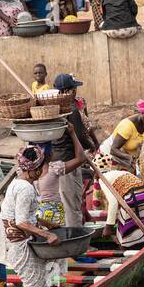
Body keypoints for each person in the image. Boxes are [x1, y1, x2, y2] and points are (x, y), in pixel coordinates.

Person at [0, 146, 66, 287]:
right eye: (43, 166)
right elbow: (21, 222)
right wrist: (48, 234)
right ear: (36, 169)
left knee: (58, 260)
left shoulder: (18, 182)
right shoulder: (25, 188)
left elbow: (27, 214)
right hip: (18, 243)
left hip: (18, 239)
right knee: (32, 285)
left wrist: (49, 224)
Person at [50, 73, 99, 227]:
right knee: (72, 205)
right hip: (70, 161)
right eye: (74, 88)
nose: (76, 92)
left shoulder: (52, 107)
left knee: (64, 202)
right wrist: (92, 146)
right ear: (70, 91)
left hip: (55, 161)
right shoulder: (71, 109)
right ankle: (76, 242)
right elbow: (78, 137)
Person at [91, 153, 144, 248]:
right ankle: (140, 246)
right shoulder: (121, 172)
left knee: (124, 236)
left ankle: (123, 250)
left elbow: (113, 202)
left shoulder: (102, 179)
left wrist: (109, 226)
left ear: (95, 173)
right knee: (142, 227)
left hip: (134, 198)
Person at [33, 123, 88, 228]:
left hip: (40, 213)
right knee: (60, 235)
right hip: (54, 213)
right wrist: (72, 133)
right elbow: (81, 158)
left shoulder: (29, 171)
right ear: (50, 155)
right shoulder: (54, 168)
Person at [99, 96, 144, 171]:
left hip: (124, 159)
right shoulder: (127, 126)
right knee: (111, 181)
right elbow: (113, 149)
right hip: (107, 159)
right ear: (142, 112)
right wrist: (129, 158)